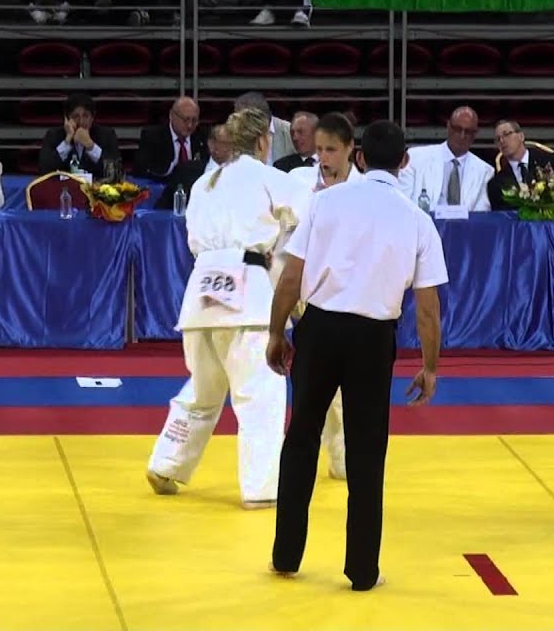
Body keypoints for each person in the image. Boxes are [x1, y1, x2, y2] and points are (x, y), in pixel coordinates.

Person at [266, 120, 448, 591]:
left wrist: (275, 333)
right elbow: (427, 309)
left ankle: (286, 554)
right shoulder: (416, 219)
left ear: (360, 157)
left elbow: (290, 278)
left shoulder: (325, 202)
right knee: (367, 451)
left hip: (320, 330)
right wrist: (429, 367)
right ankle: (362, 570)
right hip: (373, 338)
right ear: (404, 162)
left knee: (301, 436)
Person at [146, 107, 310, 509]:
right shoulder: (271, 178)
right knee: (260, 392)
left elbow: (190, 239)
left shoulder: (205, 183)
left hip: (202, 291)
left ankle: (167, 461)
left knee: (204, 389)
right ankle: (261, 488)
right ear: (261, 142)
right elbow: (308, 218)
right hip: (246, 292)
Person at [286, 112, 362, 481]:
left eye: (332, 149)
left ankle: (345, 456)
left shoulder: (367, 191)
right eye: (319, 150)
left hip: (353, 297)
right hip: (309, 298)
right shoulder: (297, 182)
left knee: (347, 388)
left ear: (350, 149)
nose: (324, 157)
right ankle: (320, 457)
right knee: (315, 387)